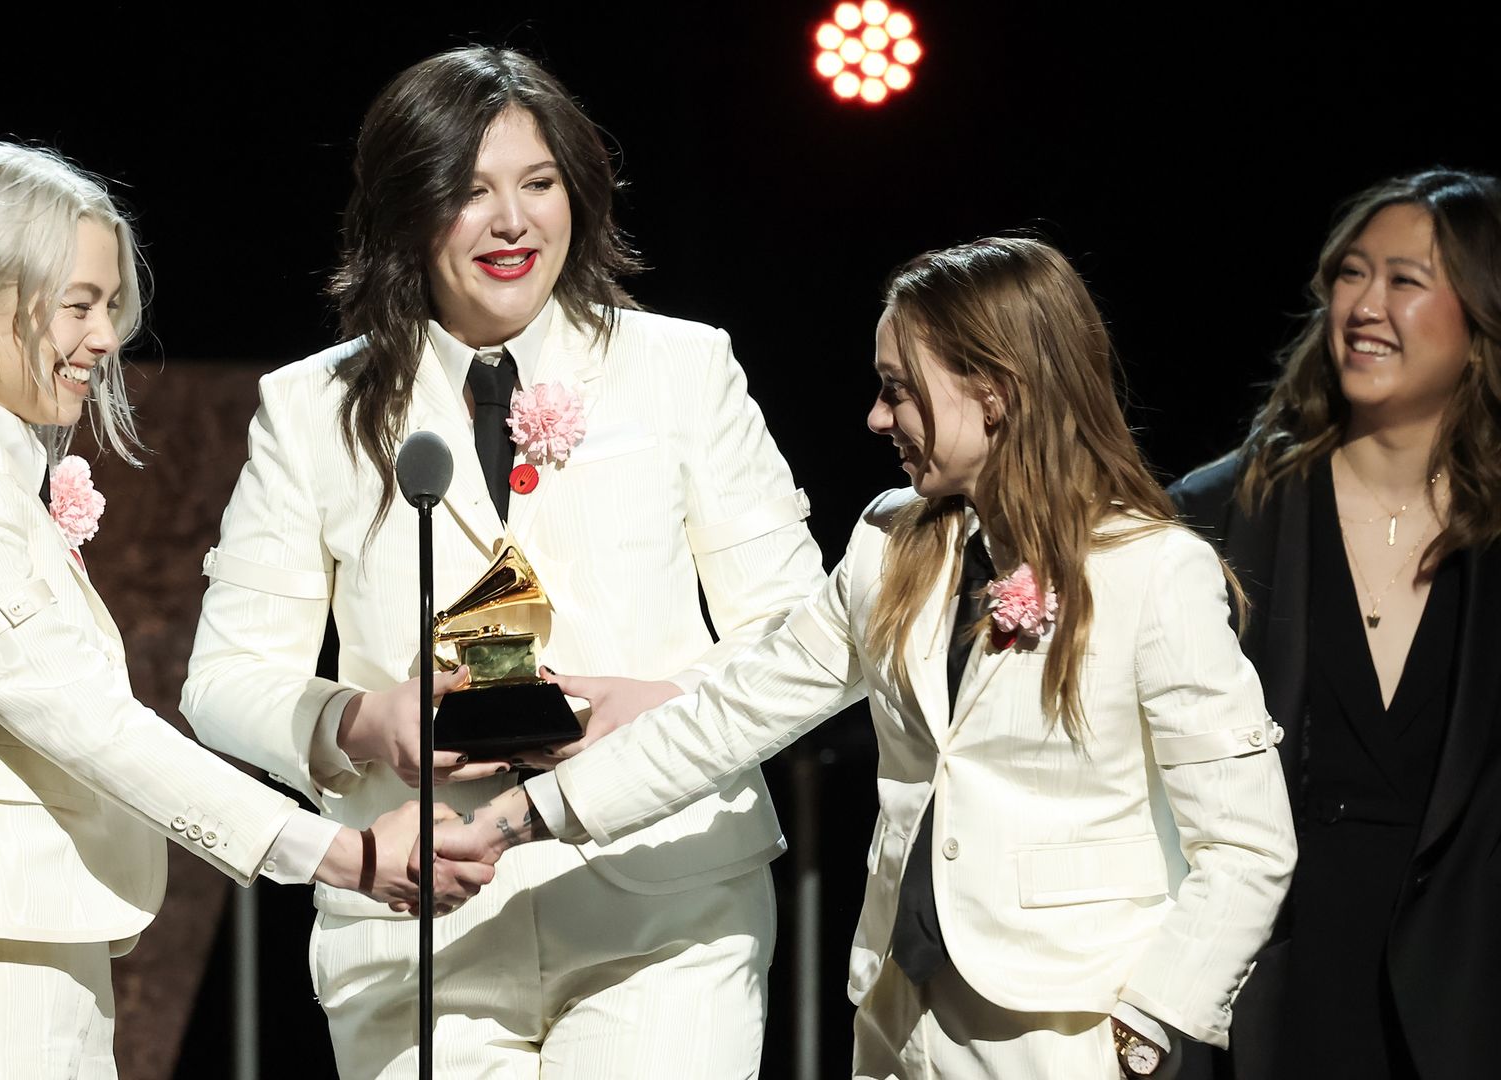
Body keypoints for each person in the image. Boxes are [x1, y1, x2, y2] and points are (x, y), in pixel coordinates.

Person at [446, 237, 1299, 1079]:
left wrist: (1146, 1031)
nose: (877, 417)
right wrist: (518, 822)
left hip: (1061, 1030)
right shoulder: (892, 544)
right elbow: (732, 715)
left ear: (993, 394)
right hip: (901, 1016)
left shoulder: (1152, 570)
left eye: (899, 390)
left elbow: (1249, 844)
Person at [181, 47, 825, 1077]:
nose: (514, 223)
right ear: (404, 209)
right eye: (470, 193)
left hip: (664, 900)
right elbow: (220, 683)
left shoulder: (681, 370)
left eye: (539, 185)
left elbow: (801, 638)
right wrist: (358, 720)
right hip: (421, 916)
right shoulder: (312, 410)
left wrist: (654, 702)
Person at [0, 142, 495, 1078]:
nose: (106, 339)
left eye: (110, 307)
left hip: (32, 958)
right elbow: (88, 725)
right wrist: (337, 853)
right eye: (78, 305)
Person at [1167, 169, 1501, 1080]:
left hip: (1470, 997)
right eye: (1351, 274)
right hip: (1275, 990)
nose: (1365, 304)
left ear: (1480, 319)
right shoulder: (1223, 512)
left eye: (1405, 279)